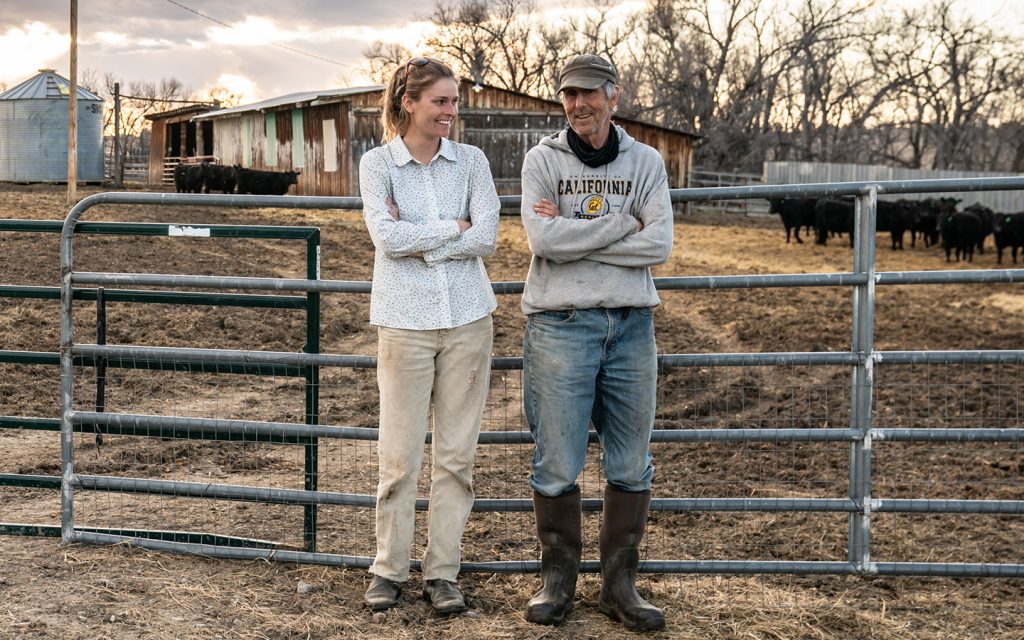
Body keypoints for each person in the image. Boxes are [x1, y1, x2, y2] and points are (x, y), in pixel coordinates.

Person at [519, 53, 674, 632]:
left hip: (632, 325)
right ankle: (557, 581)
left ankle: (618, 586)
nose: (578, 104)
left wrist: (574, 235)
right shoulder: (542, 160)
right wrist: (621, 224)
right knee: (557, 459)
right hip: (561, 323)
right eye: (568, 95)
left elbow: (658, 245)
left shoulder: (647, 161)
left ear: (613, 95)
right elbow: (543, 239)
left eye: (589, 93)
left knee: (631, 461)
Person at [357, 56, 500, 615]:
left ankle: (443, 572)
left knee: (456, 457)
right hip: (404, 324)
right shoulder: (378, 165)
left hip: (469, 319)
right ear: (409, 103)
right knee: (399, 455)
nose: (451, 111)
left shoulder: (472, 162)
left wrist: (430, 239)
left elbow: (486, 235)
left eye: (455, 101)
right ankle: (388, 568)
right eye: (441, 101)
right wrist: (453, 229)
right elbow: (386, 239)